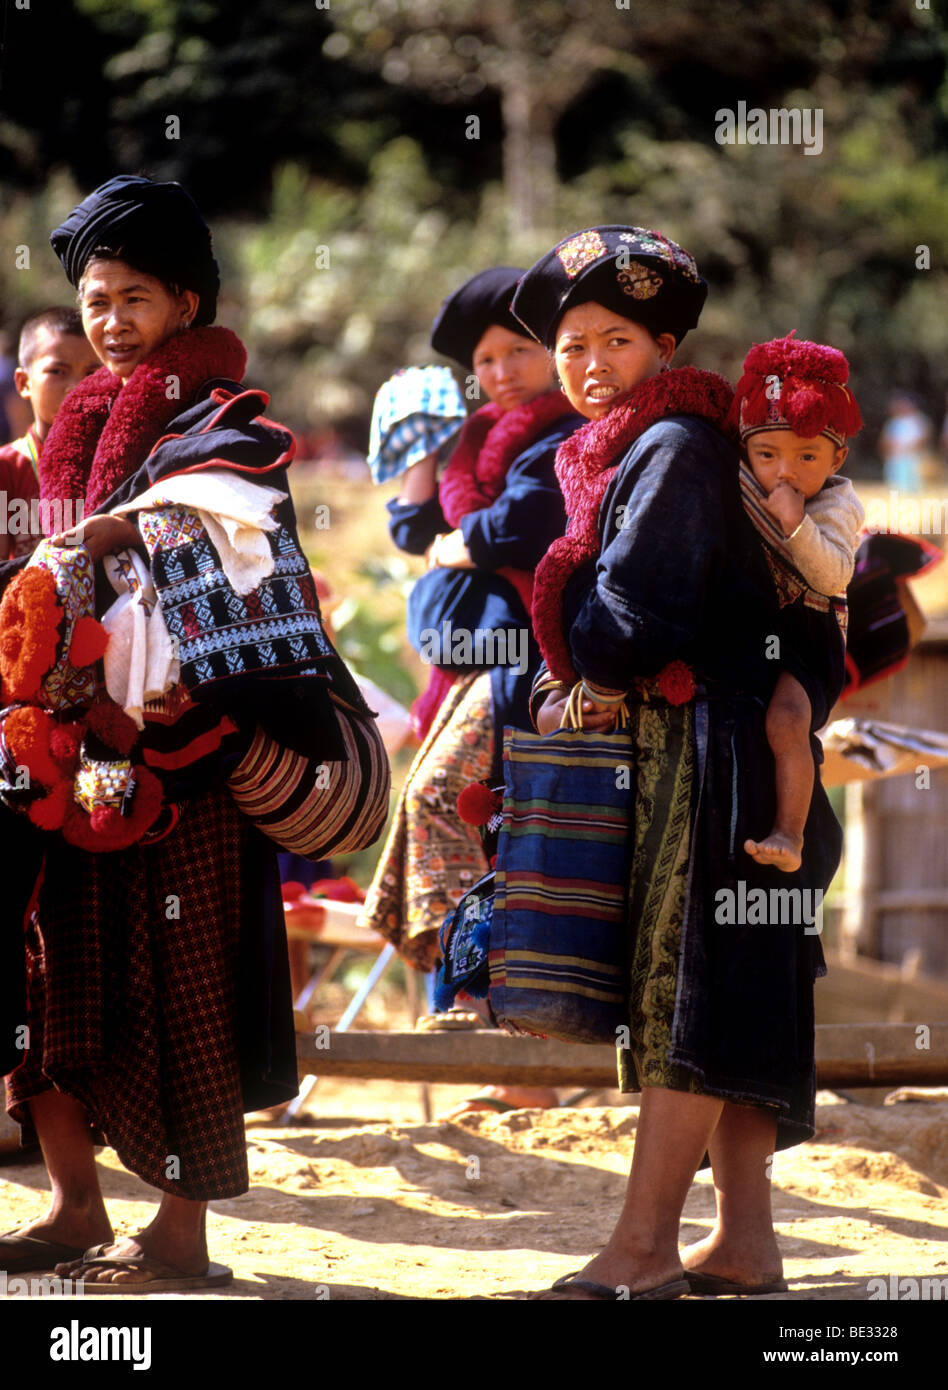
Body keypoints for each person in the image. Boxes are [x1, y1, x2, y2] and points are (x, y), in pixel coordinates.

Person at [0, 175, 376, 1292]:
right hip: (83, 749)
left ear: (190, 302)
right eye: (96, 298)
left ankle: (179, 1233)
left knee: (181, 981)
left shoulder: (231, 424)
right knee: (59, 962)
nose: (110, 320)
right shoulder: (76, 438)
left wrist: (115, 532)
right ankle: (73, 1202)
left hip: (193, 746)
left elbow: (231, 518)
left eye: (133, 298)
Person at [511, 225, 843, 1300]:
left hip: (714, 755)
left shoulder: (672, 449)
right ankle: (746, 1243)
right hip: (731, 747)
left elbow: (636, 613)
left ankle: (646, 1246)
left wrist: (583, 660)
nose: (591, 365)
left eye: (617, 339)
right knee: (737, 989)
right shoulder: (649, 448)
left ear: (665, 345)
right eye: (570, 347)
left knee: (685, 992)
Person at [360, 267, 580, 976]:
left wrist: (460, 544)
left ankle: (484, 987)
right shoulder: (475, 435)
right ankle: (462, 996)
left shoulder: (568, 432)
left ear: (552, 349)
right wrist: (424, 449)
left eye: (518, 351)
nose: (501, 371)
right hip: (468, 658)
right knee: (469, 811)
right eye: (484, 360)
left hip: (526, 656)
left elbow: (525, 520)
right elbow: (413, 528)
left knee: (457, 802)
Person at [729, 334, 865, 871]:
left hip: (811, 638)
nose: (785, 471)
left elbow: (833, 572)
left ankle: (790, 834)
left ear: (838, 456)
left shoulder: (835, 503)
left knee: (787, 722)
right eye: (767, 454)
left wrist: (795, 523)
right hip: (761, 627)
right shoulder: (740, 484)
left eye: (806, 456)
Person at [0, 308, 100, 559]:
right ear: (23, 383)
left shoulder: (115, 460)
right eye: (57, 371)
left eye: (92, 373)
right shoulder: (6, 467)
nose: (76, 387)